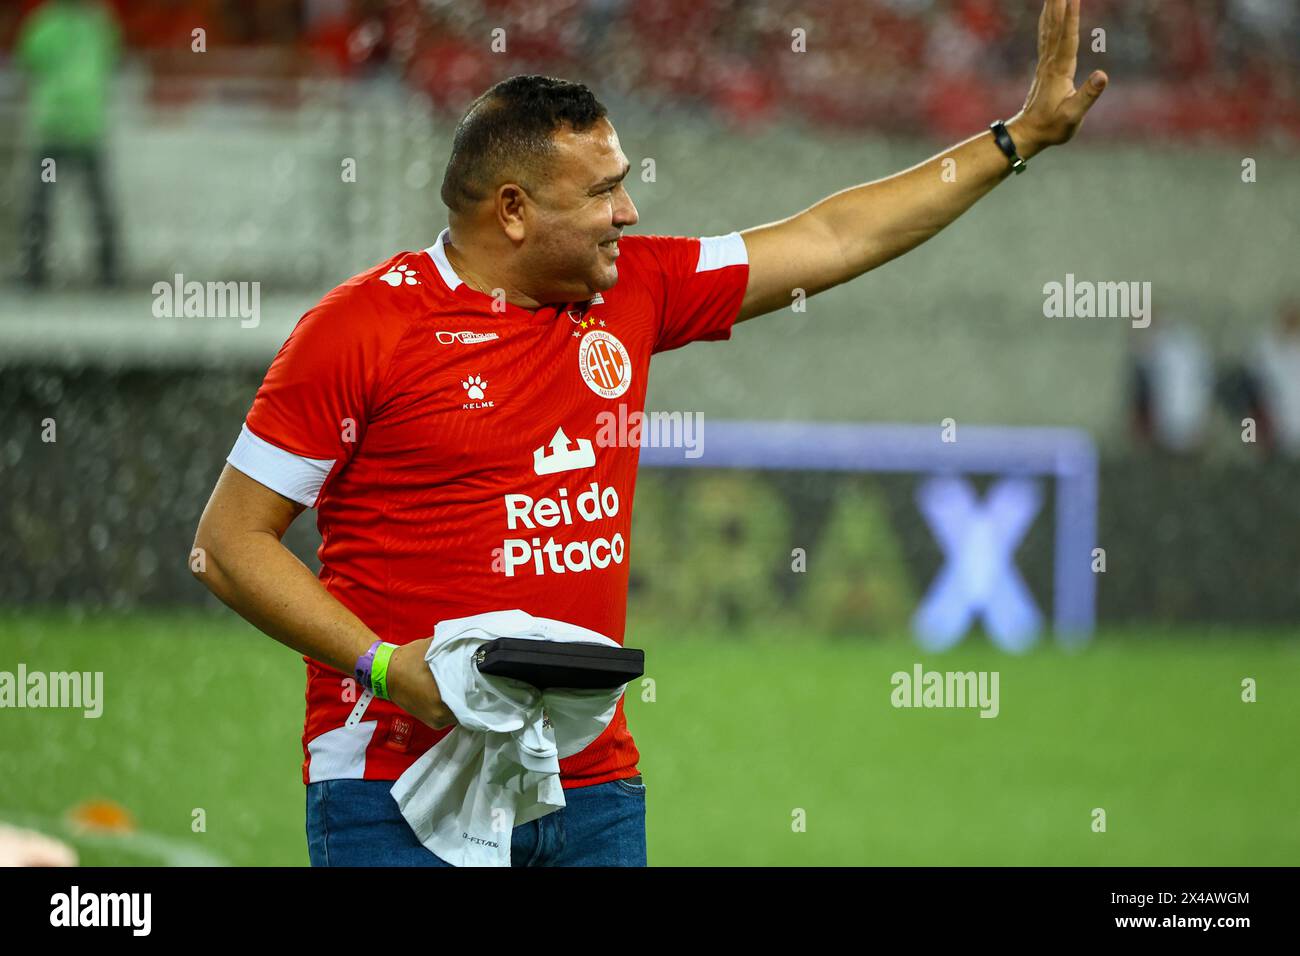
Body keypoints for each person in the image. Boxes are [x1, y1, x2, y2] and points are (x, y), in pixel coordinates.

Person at [192, 0, 1107, 866]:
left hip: (587, 788)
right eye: (604, 192)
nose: (629, 213)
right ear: (513, 211)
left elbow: (834, 237)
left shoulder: (636, 290)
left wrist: (1015, 139)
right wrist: (388, 668)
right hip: (394, 782)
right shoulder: (360, 330)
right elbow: (230, 545)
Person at [16, 0, 122, 289]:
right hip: (86, 127)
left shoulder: (45, 23)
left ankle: (35, 271)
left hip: (56, 129)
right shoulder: (98, 24)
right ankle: (109, 271)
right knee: (97, 205)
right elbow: (112, 58)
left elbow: (29, 61)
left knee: (43, 205)